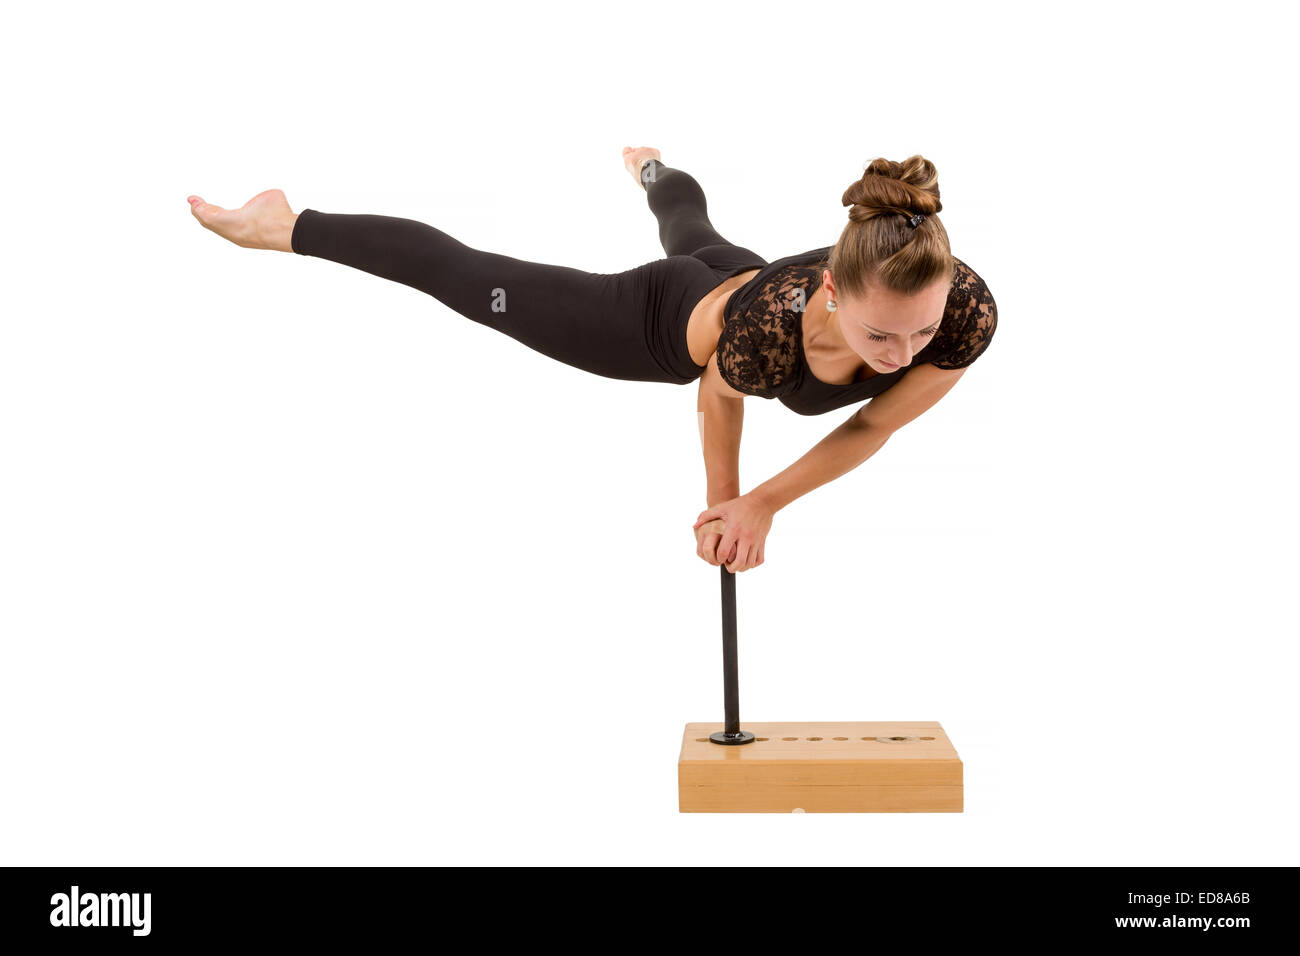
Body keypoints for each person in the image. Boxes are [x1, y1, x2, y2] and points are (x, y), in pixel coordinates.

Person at [187, 147, 997, 574]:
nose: (902, 356)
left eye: (918, 335)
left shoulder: (960, 308)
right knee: (477, 284)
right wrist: (729, 508)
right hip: (665, 317)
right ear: (830, 290)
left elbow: (870, 428)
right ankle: (288, 223)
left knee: (692, 226)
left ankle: (652, 169)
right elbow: (721, 399)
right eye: (879, 338)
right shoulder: (771, 329)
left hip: (740, 279)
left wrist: (765, 504)